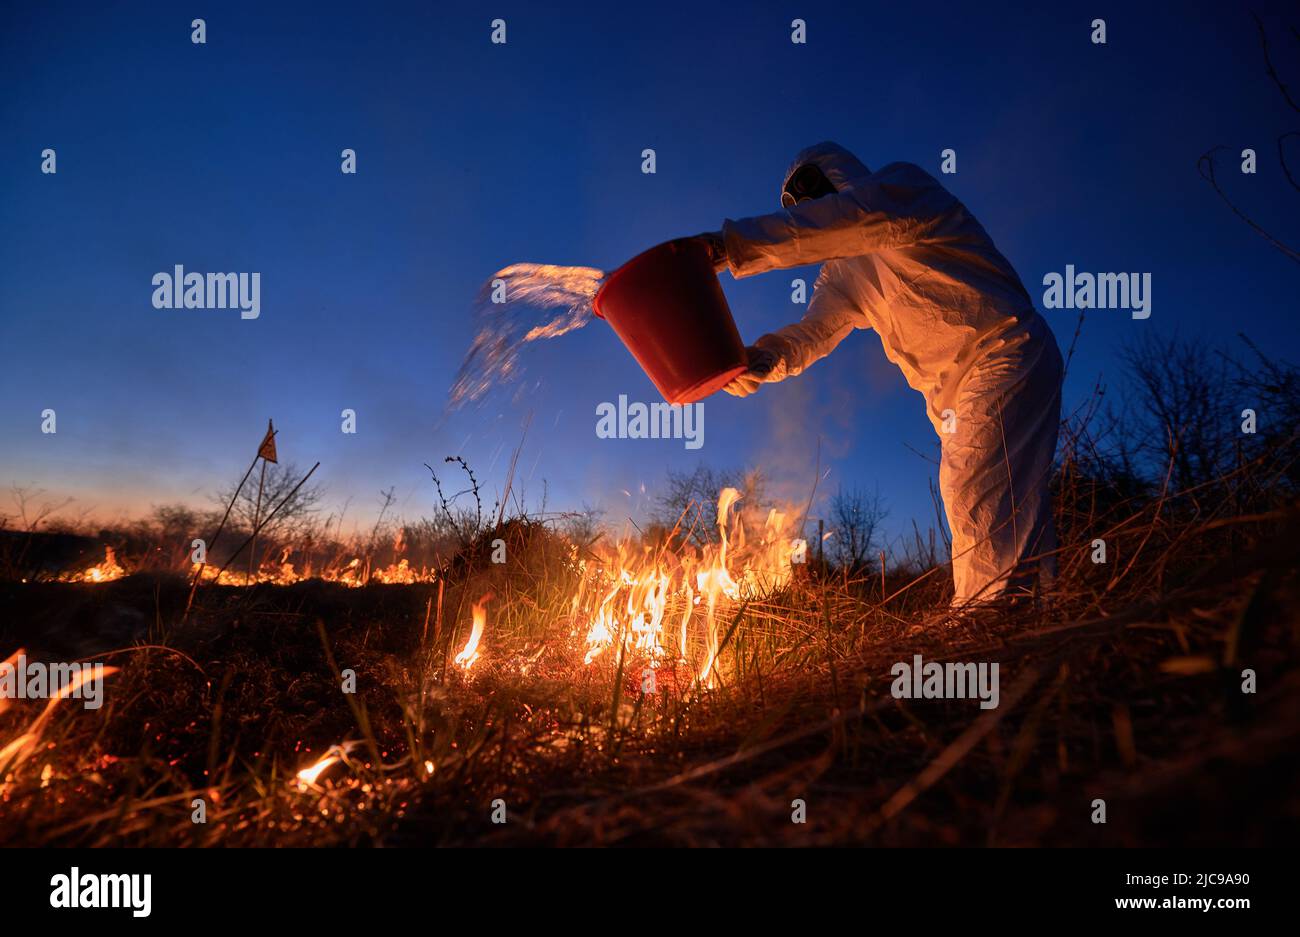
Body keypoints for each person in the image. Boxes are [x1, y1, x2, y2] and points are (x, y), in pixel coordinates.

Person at [695, 141, 1063, 606]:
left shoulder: (899, 189)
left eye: (808, 189)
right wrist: (757, 361)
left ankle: (986, 625)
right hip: (950, 395)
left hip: (1003, 349)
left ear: (838, 173)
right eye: (790, 203)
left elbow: (848, 221)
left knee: (974, 490)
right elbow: (813, 333)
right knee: (1009, 506)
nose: (803, 205)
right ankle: (1041, 617)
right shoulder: (843, 275)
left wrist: (730, 246)